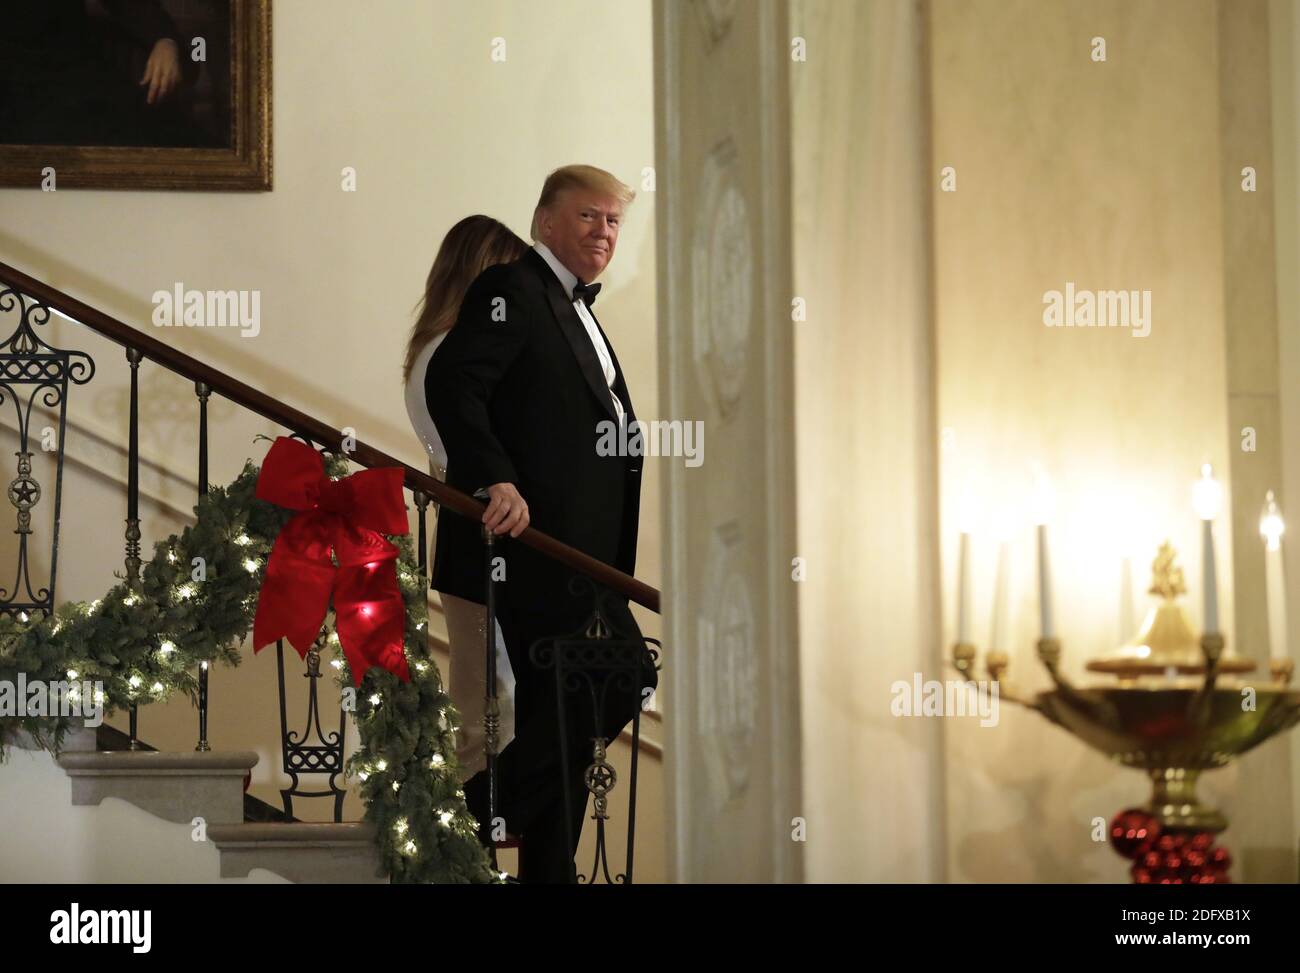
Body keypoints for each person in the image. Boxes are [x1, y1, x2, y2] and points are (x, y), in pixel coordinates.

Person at [426, 164, 657, 883]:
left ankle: (537, 865)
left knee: (561, 715)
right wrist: (496, 475)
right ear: (546, 222)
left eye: (615, 221)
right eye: (589, 217)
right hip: (542, 551)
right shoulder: (513, 289)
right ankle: (465, 815)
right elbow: (452, 382)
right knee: (623, 675)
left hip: (586, 557)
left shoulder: (574, 307)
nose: (604, 232)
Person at [403, 215, 529, 783]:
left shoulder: (435, 348)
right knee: (489, 707)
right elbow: (470, 453)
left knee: (491, 702)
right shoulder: (453, 353)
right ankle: (458, 852)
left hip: (474, 536)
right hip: (482, 537)